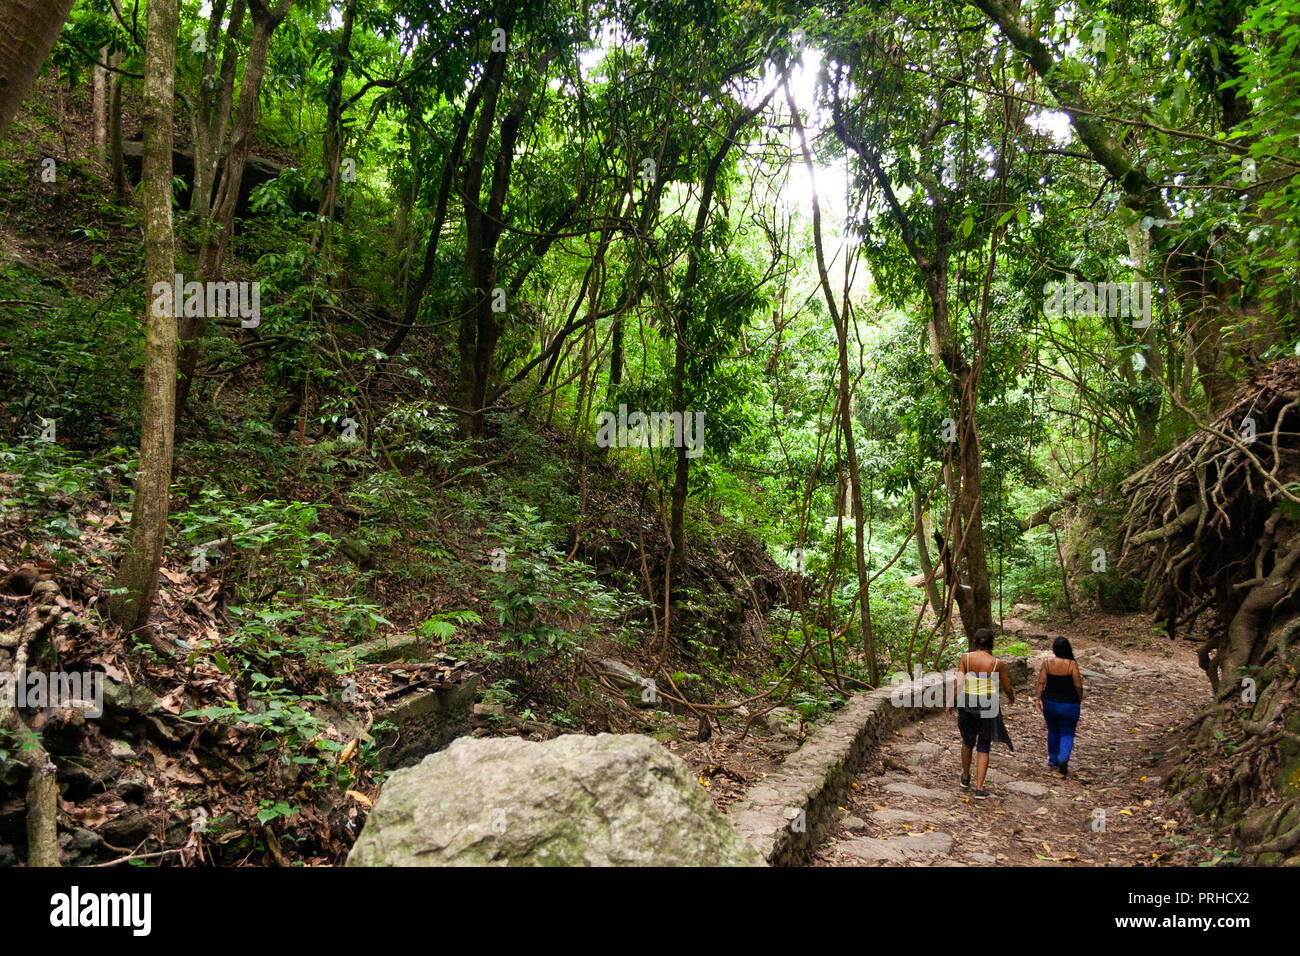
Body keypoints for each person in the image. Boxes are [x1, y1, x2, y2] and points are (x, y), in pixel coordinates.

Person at [946, 627, 1015, 798]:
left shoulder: (966, 658)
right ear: (992, 643)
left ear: (974, 642)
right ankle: (979, 788)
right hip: (988, 704)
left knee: (967, 741)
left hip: (967, 703)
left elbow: (958, 683)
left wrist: (950, 702)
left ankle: (965, 777)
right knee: (984, 744)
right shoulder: (997, 664)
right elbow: (1007, 686)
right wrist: (1011, 697)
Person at [1035, 637, 1083, 777]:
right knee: (1067, 732)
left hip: (1050, 702)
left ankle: (1053, 760)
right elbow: (1078, 685)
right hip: (1069, 703)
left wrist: (1038, 699)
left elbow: (1041, 682)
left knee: (1053, 731)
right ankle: (1063, 758)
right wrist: (1079, 697)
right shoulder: (1072, 665)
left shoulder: (1047, 663)